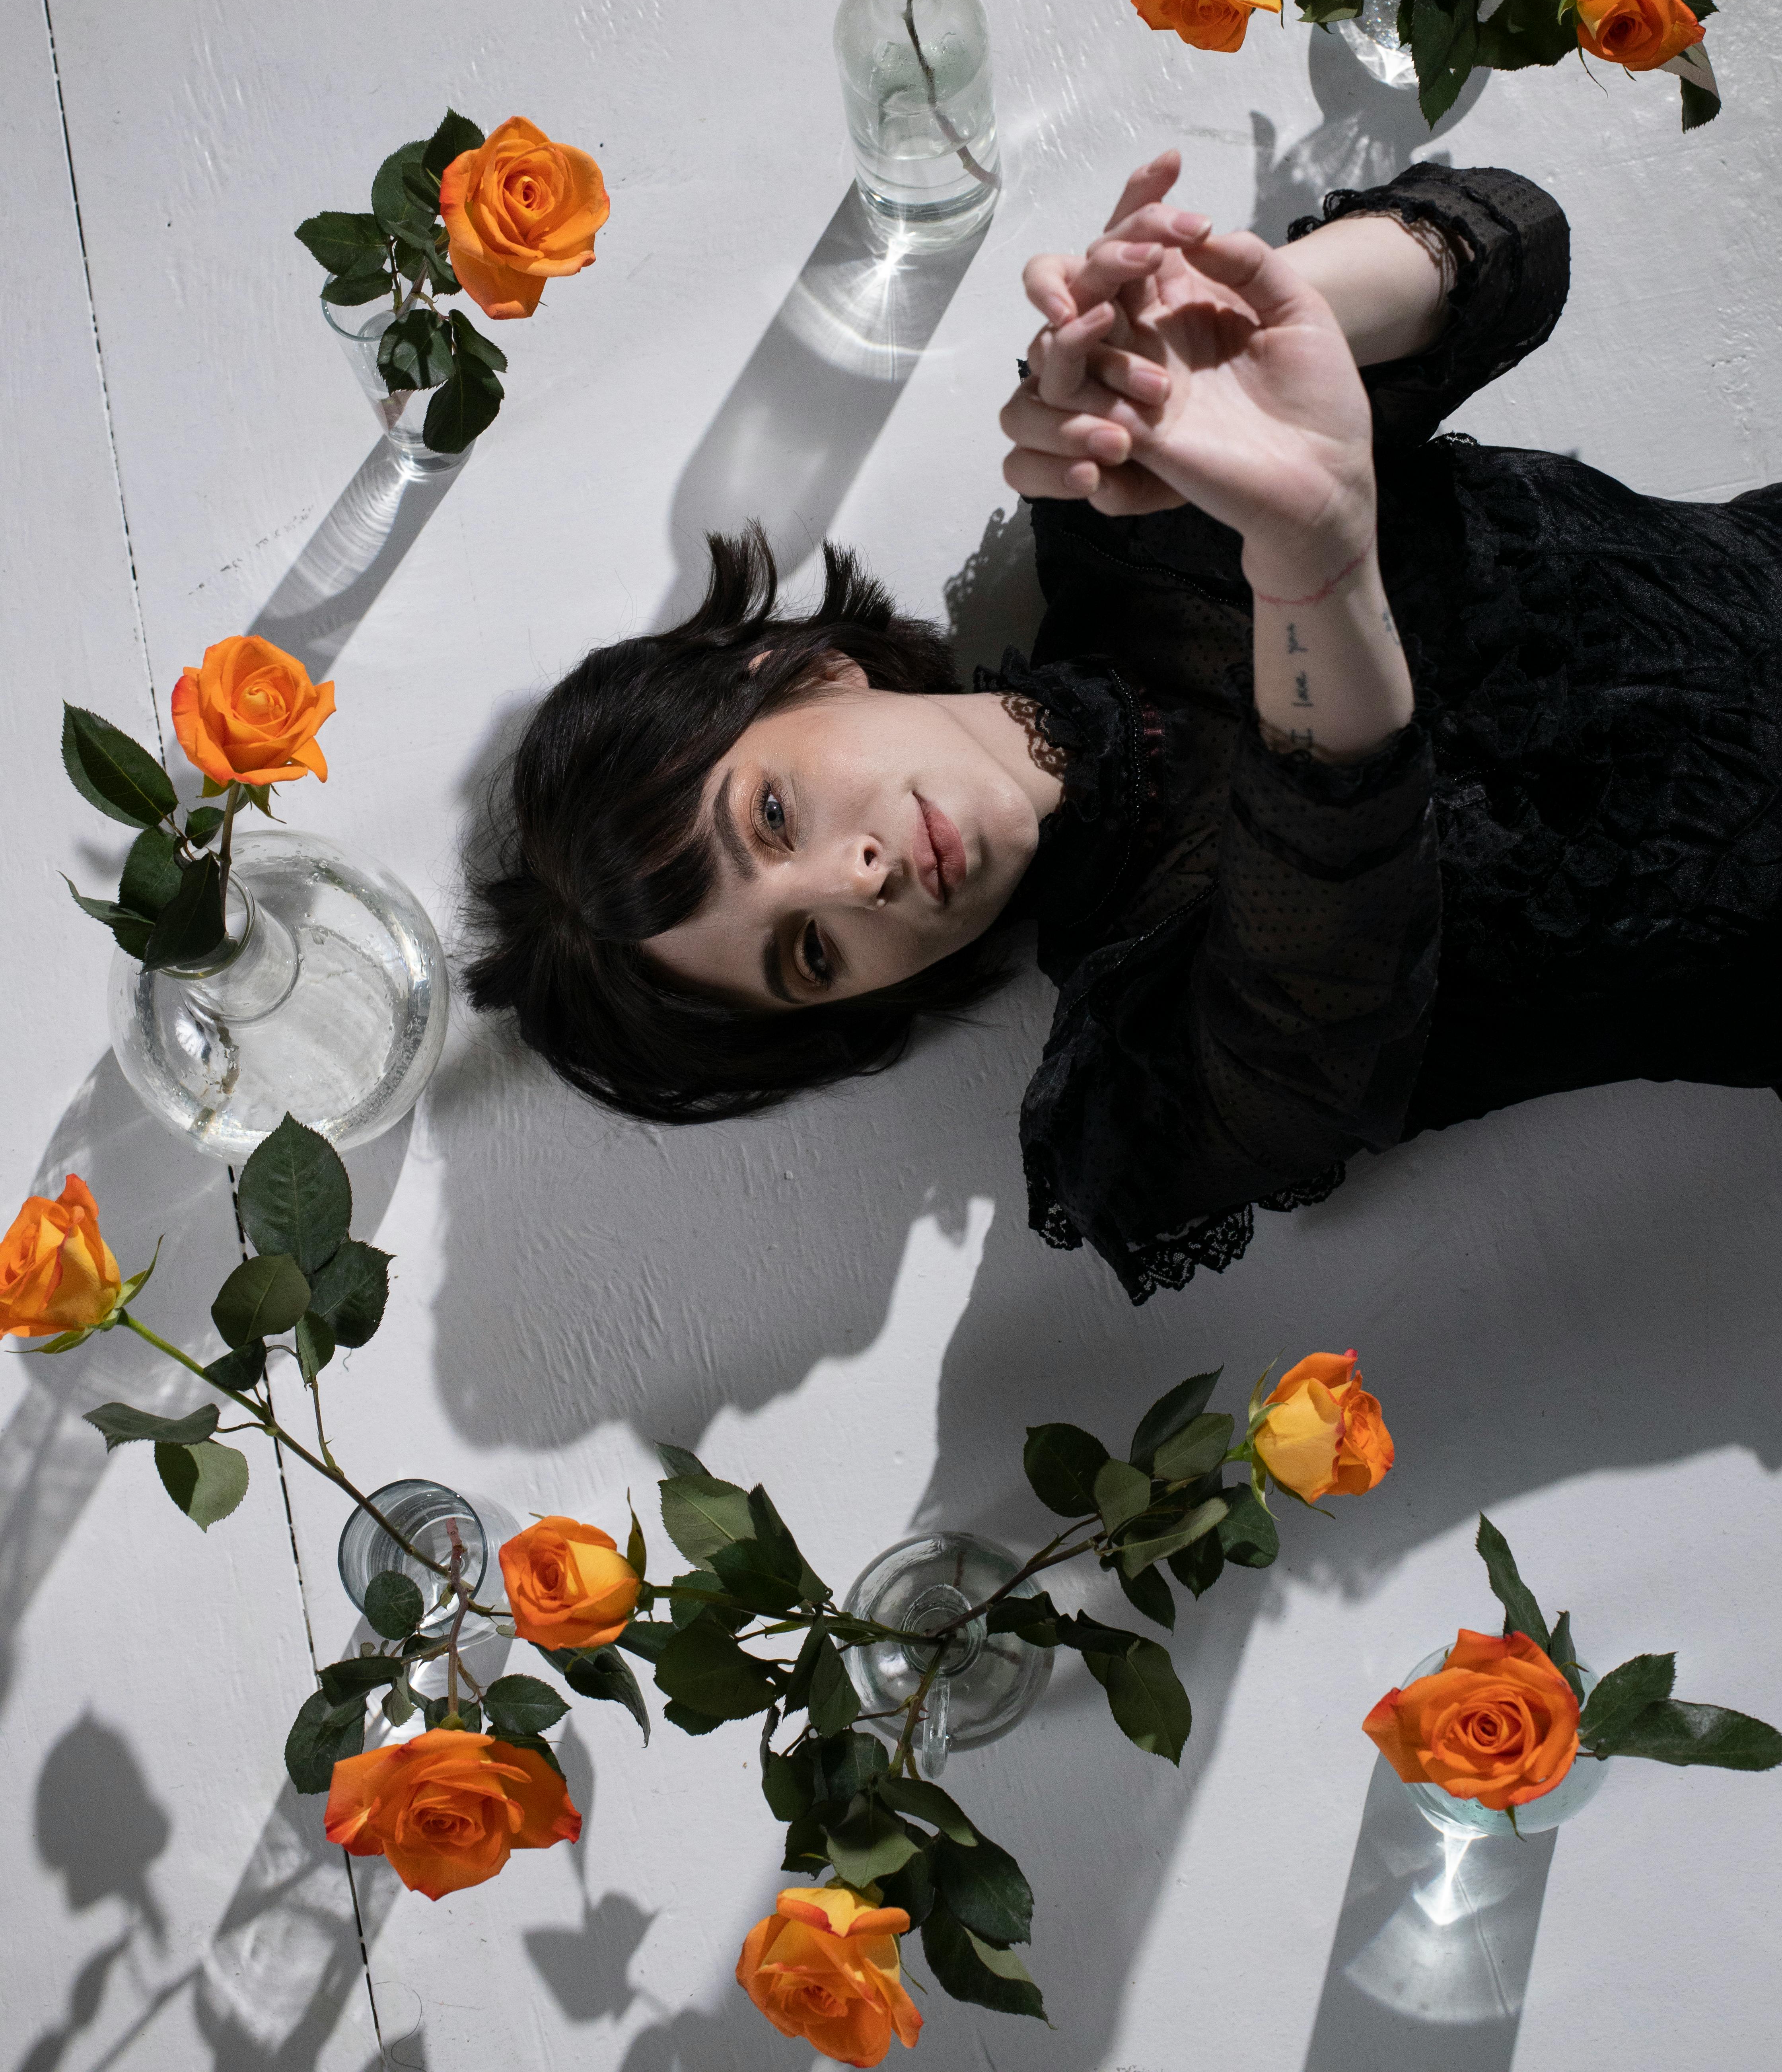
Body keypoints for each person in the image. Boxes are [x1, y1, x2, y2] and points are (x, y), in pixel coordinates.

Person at [466, 158, 1782, 1302]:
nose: (854, 882)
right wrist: (1309, 560)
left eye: (770, 819)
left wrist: (1263, 318)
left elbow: (1516, 242)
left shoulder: (1135, 506)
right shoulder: (1145, 1091)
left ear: (797, 671)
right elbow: (1314, 990)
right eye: (808, 952)